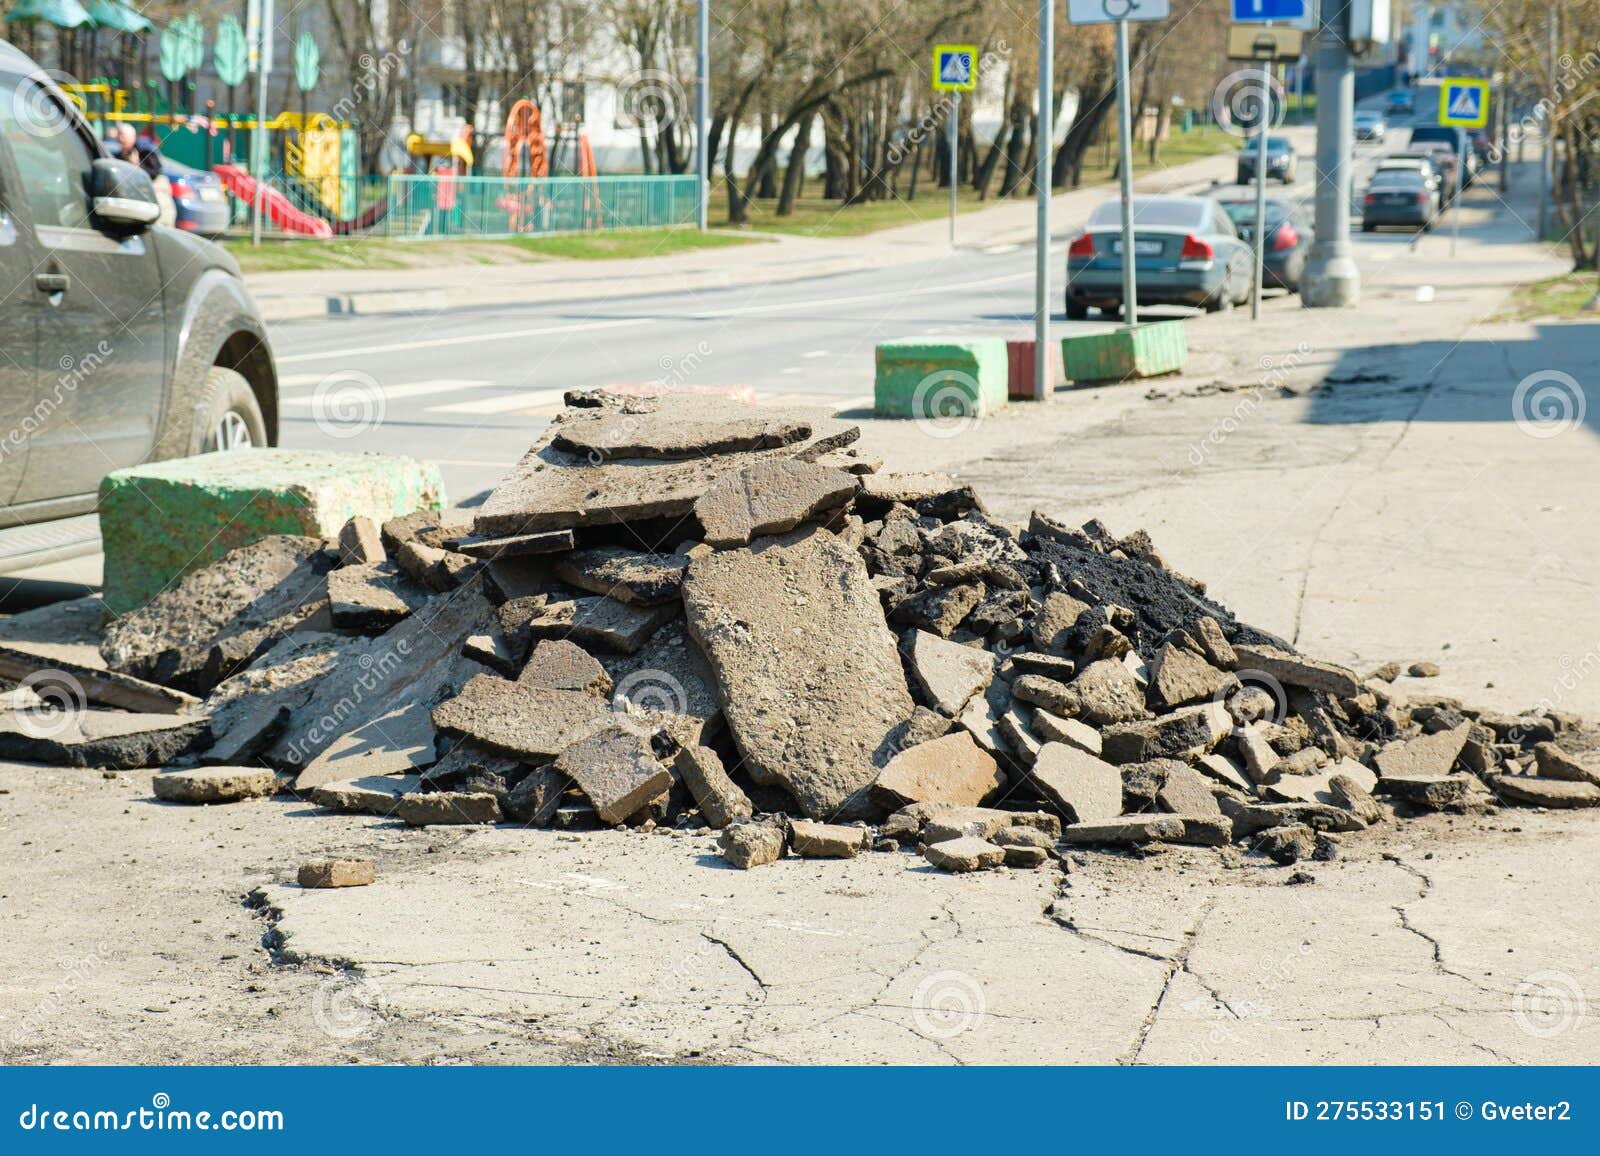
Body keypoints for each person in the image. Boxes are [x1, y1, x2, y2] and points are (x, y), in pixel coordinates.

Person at [110, 122, 176, 227]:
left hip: (156, 194)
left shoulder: (144, 149)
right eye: (119, 135)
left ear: (133, 136)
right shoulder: (120, 154)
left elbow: (155, 172)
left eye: (123, 135)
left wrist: (136, 165)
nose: (120, 139)